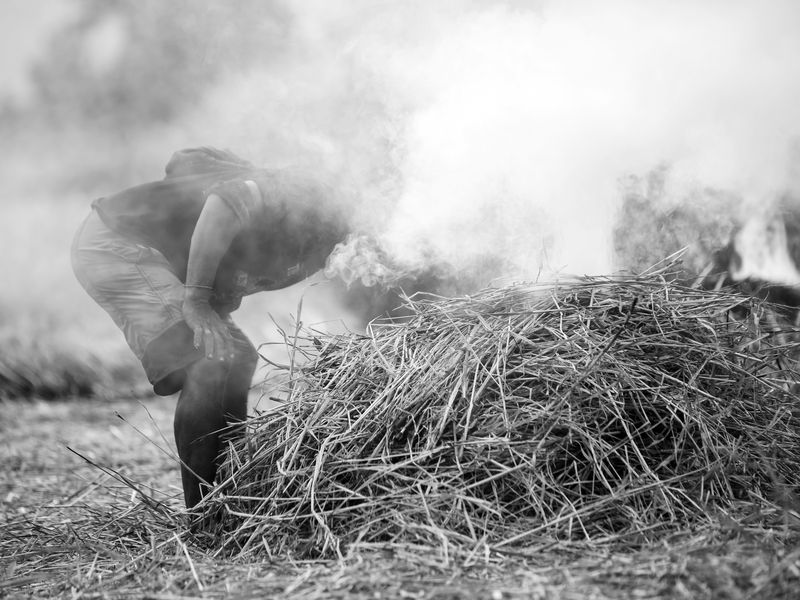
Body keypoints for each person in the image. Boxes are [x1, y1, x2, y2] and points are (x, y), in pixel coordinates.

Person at [71, 147, 349, 508]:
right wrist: (197, 300)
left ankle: (230, 495)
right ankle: (202, 516)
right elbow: (223, 203)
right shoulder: (303, 195)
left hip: (151, 256)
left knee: (238, 357)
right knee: (208, 359)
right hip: (118, 244)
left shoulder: (334, 244)